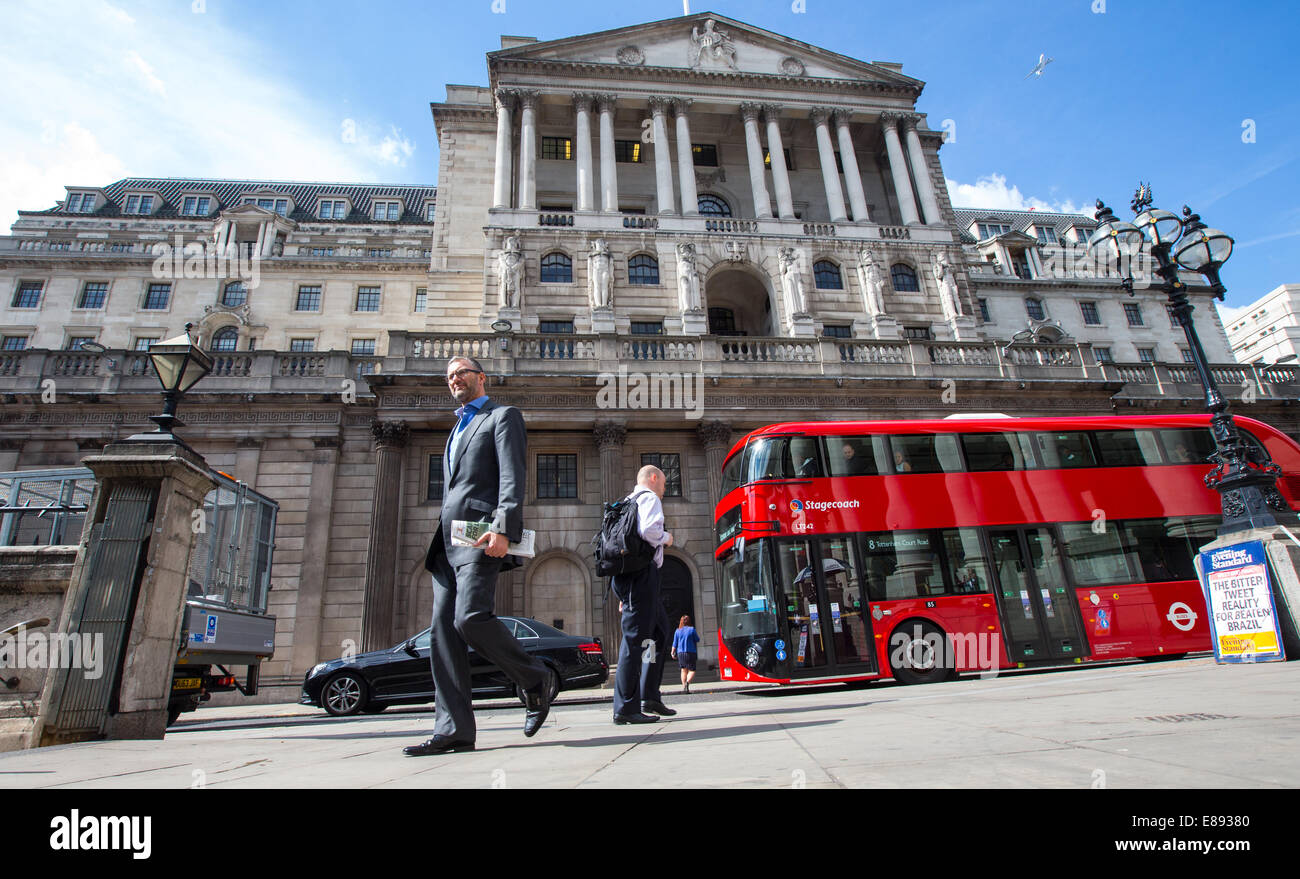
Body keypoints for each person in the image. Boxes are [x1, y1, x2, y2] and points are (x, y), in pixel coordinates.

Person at [404, 356, 552, 756]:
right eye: (450, 376)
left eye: (462, 373)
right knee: (443, 635)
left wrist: (503, 526)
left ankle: (536, 678)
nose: (455, 379)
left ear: (480, 378)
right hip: (447, 543)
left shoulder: (502, 416)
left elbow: (512, 475)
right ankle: (454, 729)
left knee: (469, 618)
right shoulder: (456, 428)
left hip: (481, 535)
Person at [609, 465, 677, 724]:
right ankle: (625, 707)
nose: (665, 489)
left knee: (659, 631)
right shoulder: (649, 498)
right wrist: (667, 538)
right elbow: (650, 532)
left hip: (630, 577)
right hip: (641, 576)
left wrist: (624, 593)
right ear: (653, 478)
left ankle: (649, 695)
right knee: (634, 639)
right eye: (664, 483)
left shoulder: (627, 501)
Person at [671, 614, 700, 693]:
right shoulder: (692, 629)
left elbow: (675, 643)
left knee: (683, 670)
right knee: (692, 670)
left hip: (680, 653)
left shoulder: (678, 630)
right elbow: (697, 639)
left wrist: (672, 652)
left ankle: (684, 687)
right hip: (691, 652)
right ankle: (687, 683)